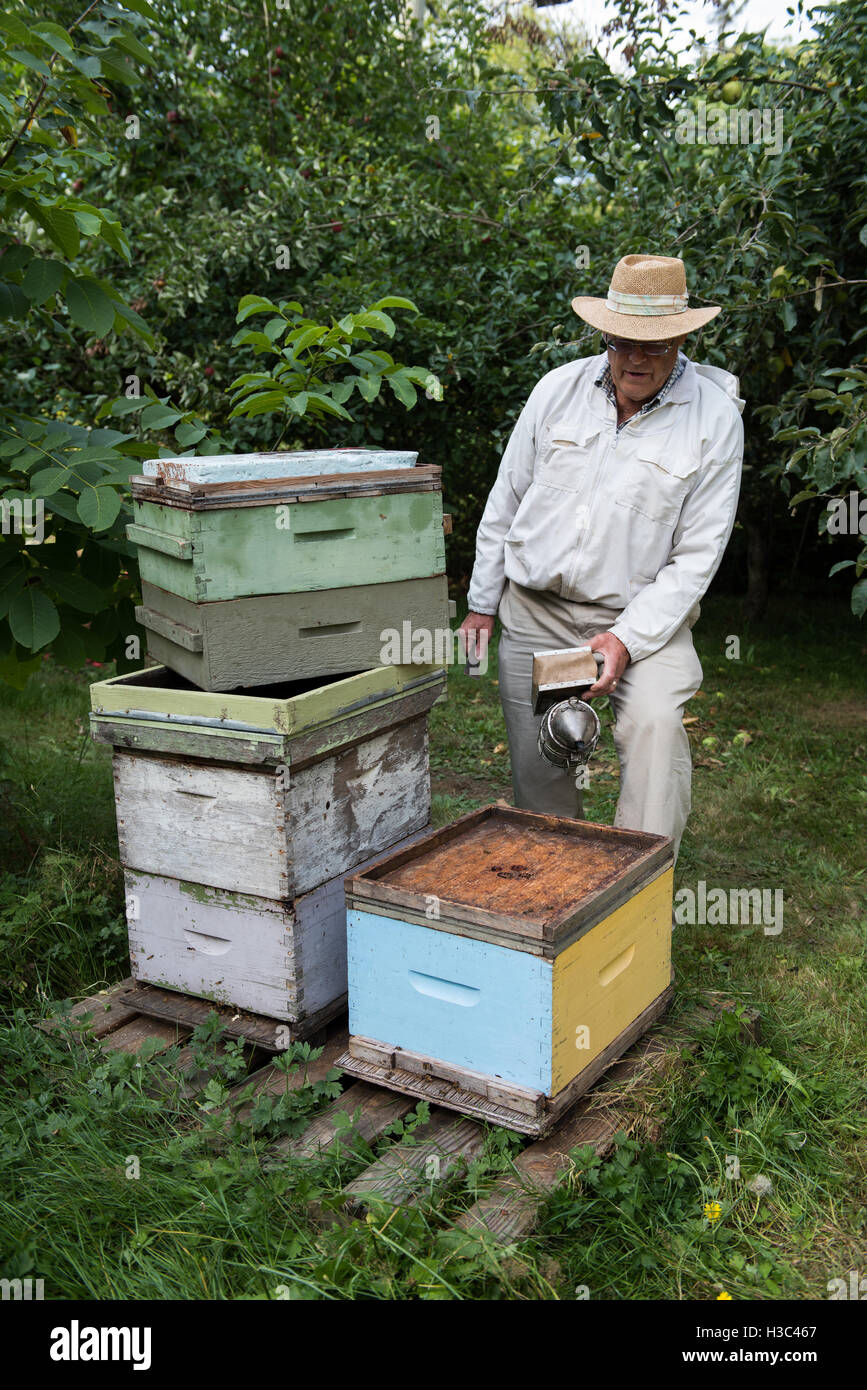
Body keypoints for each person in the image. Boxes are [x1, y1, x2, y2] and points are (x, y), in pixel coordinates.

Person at [459, 253, 745, 858]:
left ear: (681, 338)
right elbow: (505, 498)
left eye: (655, 346)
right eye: (622, 342)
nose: (635, 359)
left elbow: (698, 556)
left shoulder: (714, 419)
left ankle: (636, 887)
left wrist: (625, 639)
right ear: (605, 333)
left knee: (654, 730)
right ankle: (561, 891)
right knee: (546, 765)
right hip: (539, 615)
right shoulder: (556, 390)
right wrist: (482, 603)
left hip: (642, 621)